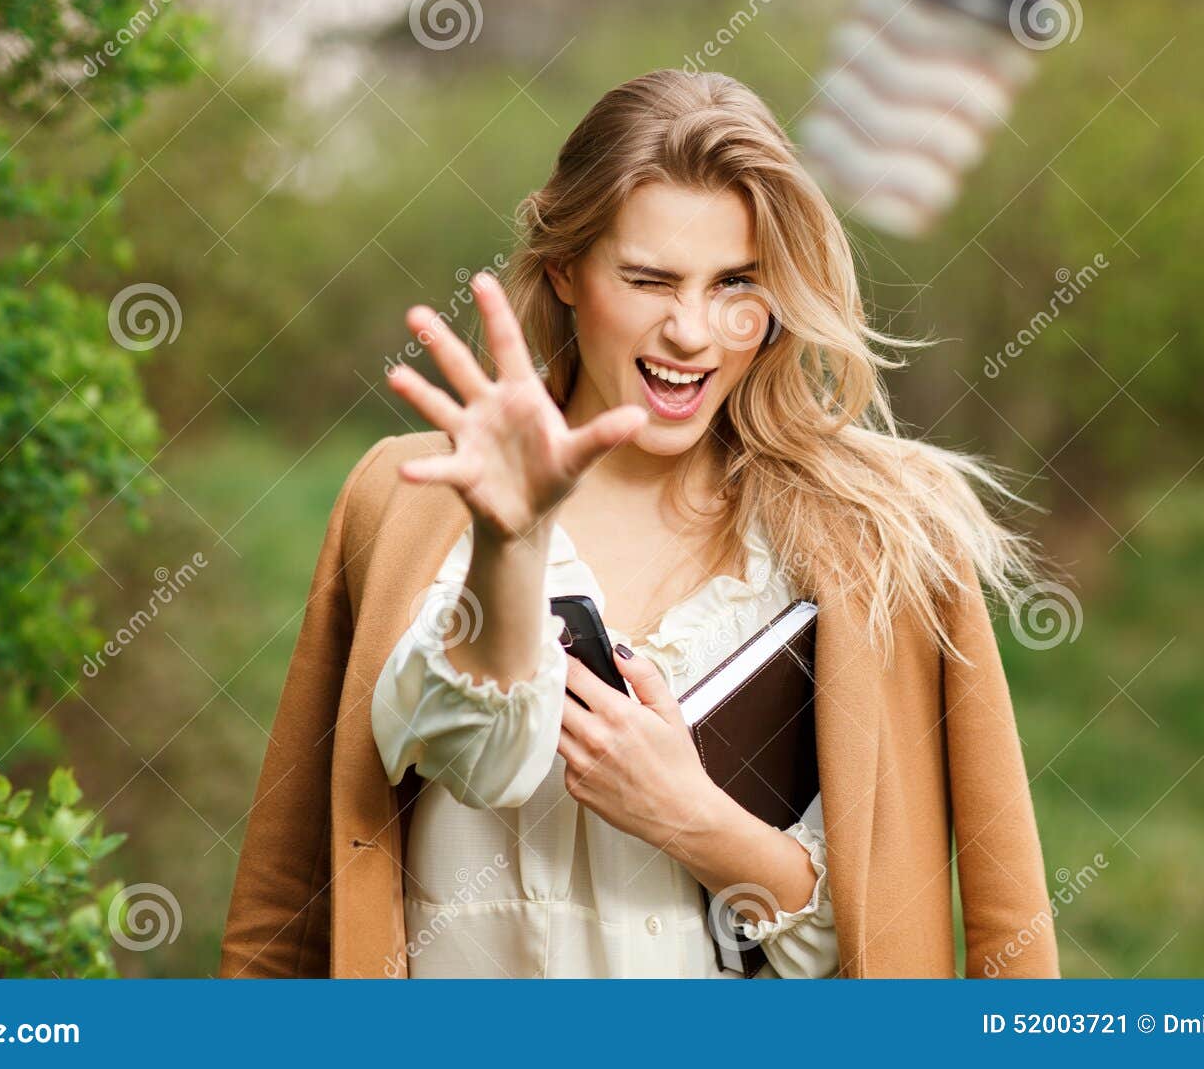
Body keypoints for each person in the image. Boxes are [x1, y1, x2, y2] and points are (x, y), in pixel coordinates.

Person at [220, 69, 1059, 979]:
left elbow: (943, 920)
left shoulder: (881, 533)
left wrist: (693, 819)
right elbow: (441, 784)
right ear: (565, 272)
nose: (694, 331)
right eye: (650, 279)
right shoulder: (410, 499)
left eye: (735, 281)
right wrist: (509, 543)